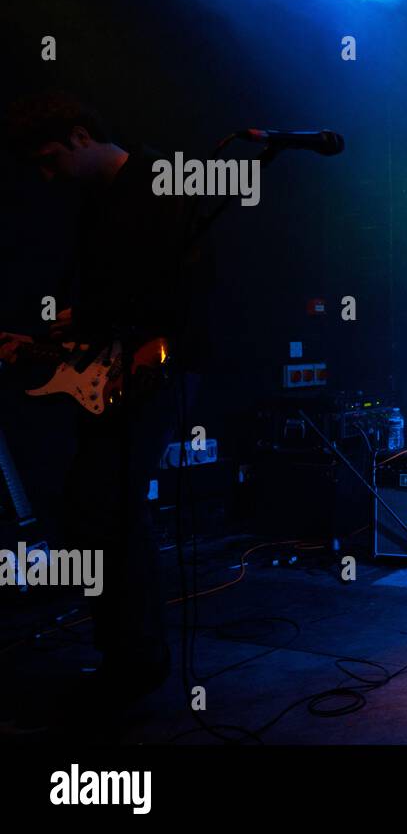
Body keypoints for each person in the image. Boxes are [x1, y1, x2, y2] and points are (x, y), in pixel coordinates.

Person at [2, 91, 210, 708]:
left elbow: (200, 285)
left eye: (49, 159)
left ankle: (136, 662)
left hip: (155, 371)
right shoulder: (92, 206)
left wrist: (161, 342)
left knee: (114, 511)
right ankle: (123, 654)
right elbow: (107, 303)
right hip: (105, 372)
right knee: (96, 512)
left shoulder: (167, 181)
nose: (48, 176)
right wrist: (47, 339)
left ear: (78, 136)